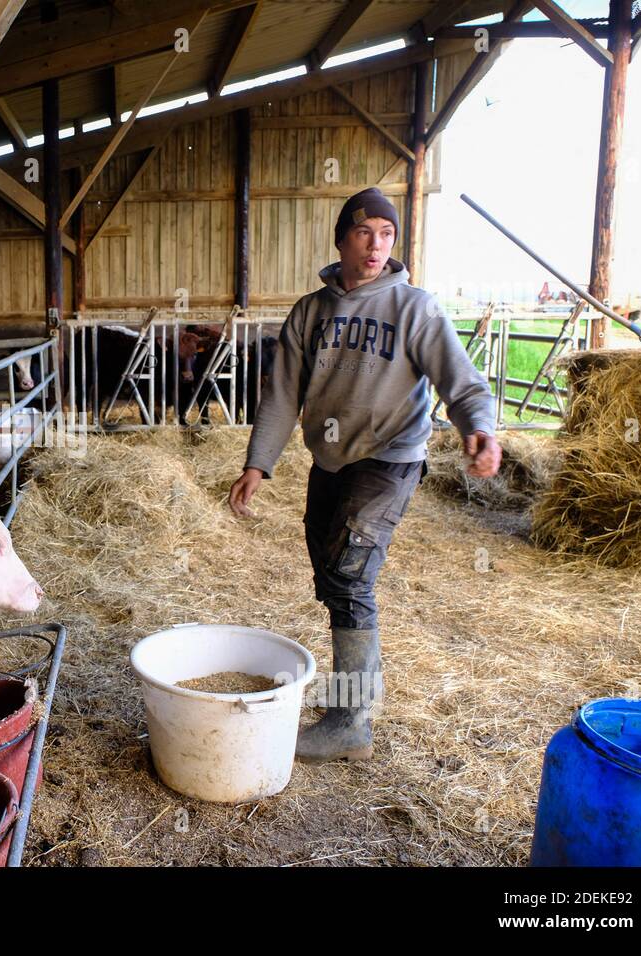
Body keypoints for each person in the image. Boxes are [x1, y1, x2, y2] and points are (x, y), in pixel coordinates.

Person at [227, 187, 501, 763]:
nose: (377, 245)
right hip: (330, 459)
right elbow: (282, 395)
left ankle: (352, 720)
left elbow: (462, 380)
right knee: (332, 578)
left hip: (390, 458)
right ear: (342, 239)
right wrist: (258, 463)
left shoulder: (414, 308)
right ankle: (351, 699)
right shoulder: (311, 311)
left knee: (351, 576)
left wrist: (479, 427)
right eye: (364, 232)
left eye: (388, 234)